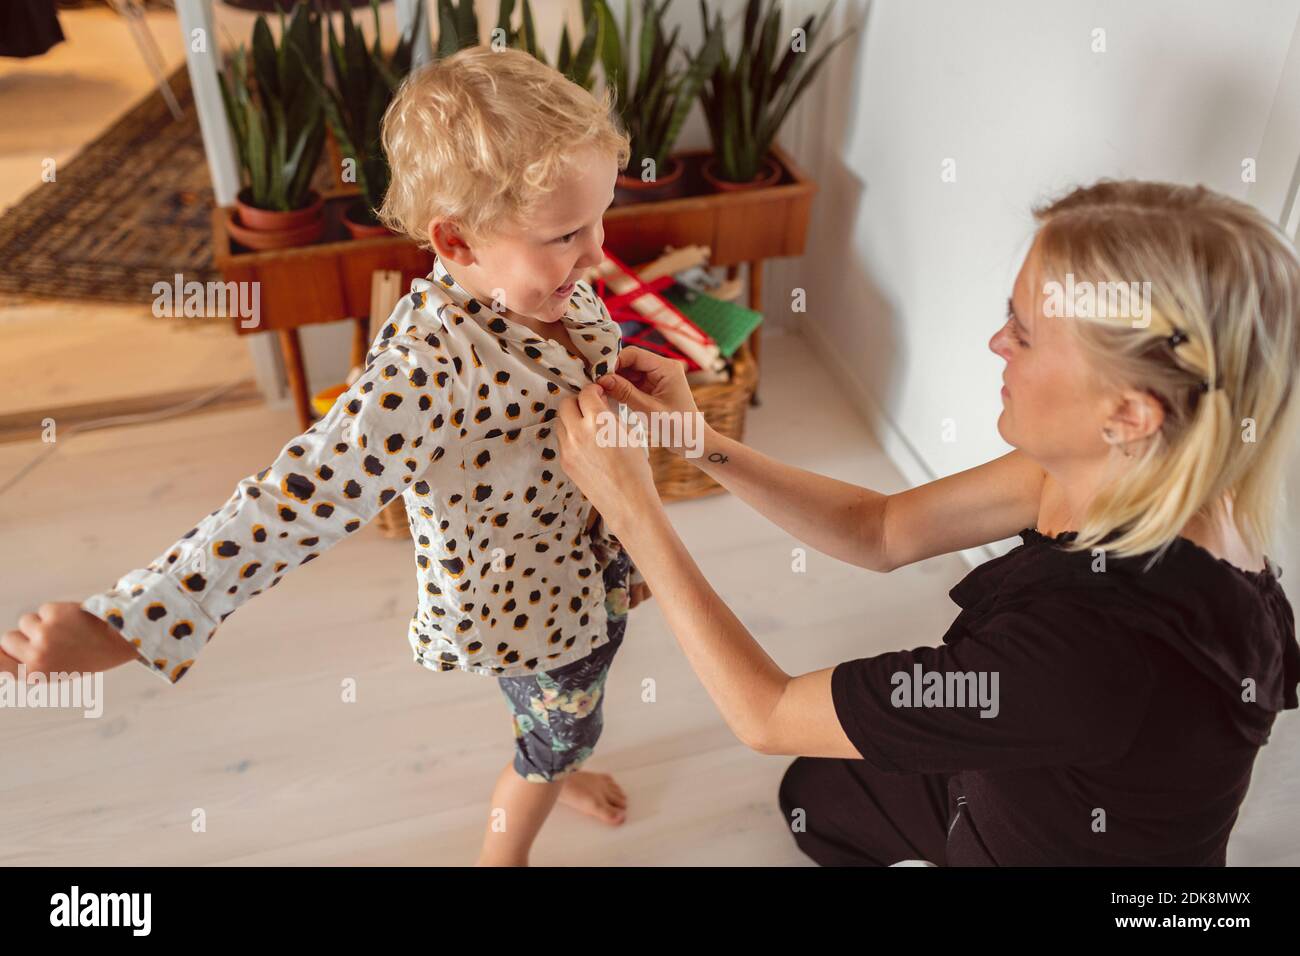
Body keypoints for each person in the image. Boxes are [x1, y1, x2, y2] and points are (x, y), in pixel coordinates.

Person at [3, 47, 652, 868]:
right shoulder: (426, 370)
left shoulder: (540, 284)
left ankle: (559, 756)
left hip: (589, 563)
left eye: (600, 219)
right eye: (566, 234)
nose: (598, 254)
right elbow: (290, 501)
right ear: (456, 242)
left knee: (562, 714)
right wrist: (129, 626)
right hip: (536, 612)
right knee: (556, 728)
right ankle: (517, 829)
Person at [555, 179, 1300, 865]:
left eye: (1025, 332)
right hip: (1016, 765)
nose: (996, 343)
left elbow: (767, 713)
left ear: (1129, 412)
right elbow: (880, 530)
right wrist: (704, 446)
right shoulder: (1136, 469)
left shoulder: (1086, 651)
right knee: (811, 799)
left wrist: (635, 515)